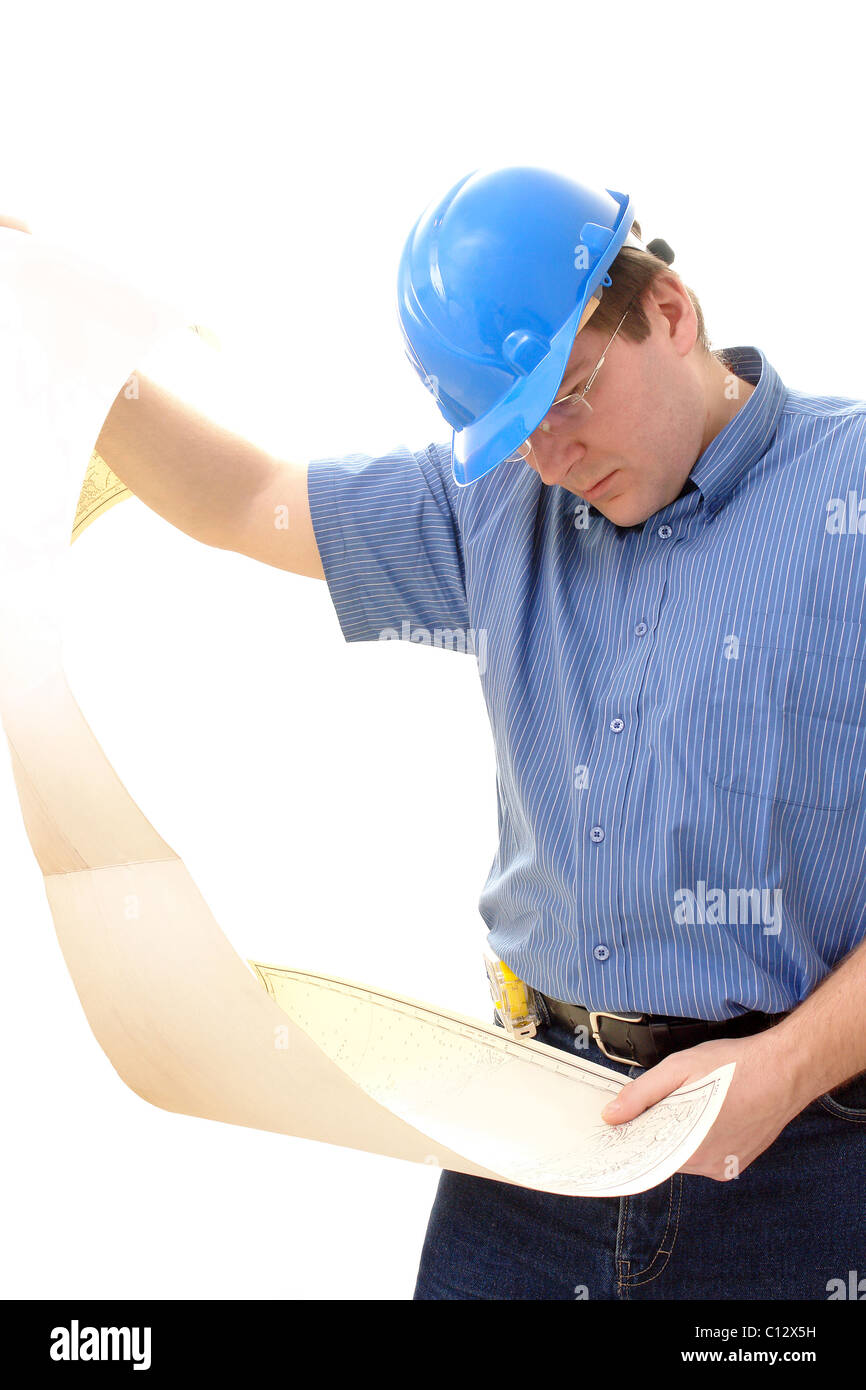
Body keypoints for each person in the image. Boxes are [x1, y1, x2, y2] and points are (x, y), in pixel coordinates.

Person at [7, 165, 863, 1300]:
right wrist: (50, 317)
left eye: (562, 401)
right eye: (510, 436)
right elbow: (241, 498)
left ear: (666, 309)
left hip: (798, 1165)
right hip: (532, 1138)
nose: (549, 459)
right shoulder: (502, 507)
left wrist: (778, 1069)